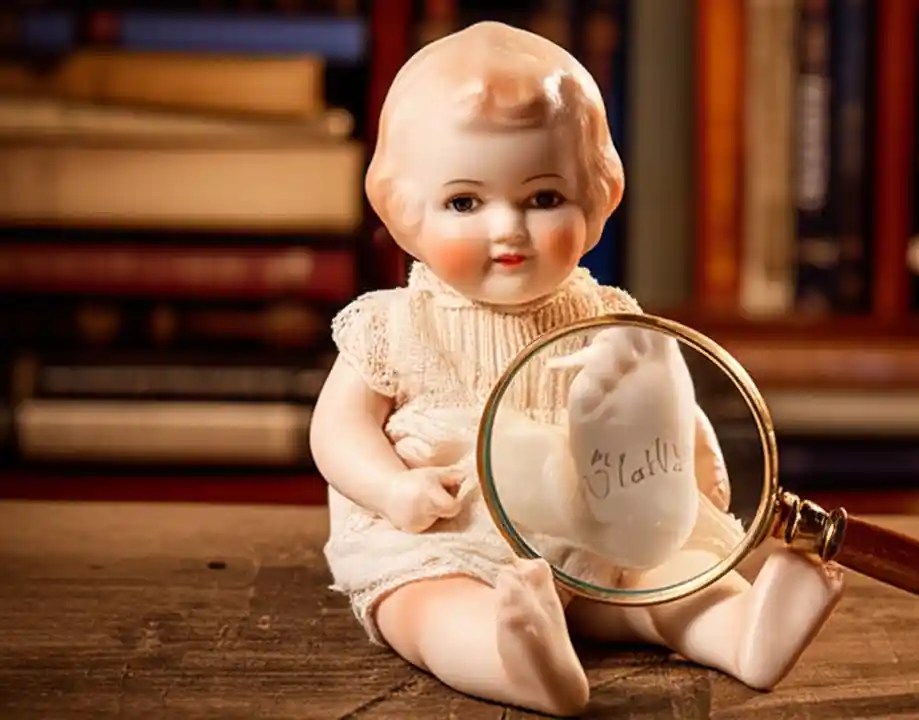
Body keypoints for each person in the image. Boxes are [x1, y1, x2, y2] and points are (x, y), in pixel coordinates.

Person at [309, 21, 845, 717]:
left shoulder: (606, 314)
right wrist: (390, 487)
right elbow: (336, 429)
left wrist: (698, 466)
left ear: (596, 201)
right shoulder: (391, 324)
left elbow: (665, 404)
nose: (506, 229)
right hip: (447, 534)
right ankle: (513, 656)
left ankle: (744, 632)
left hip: (597, 524)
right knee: (424, 611)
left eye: (542, 199)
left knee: (661, 580)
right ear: (404, 213)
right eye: (465, 202)